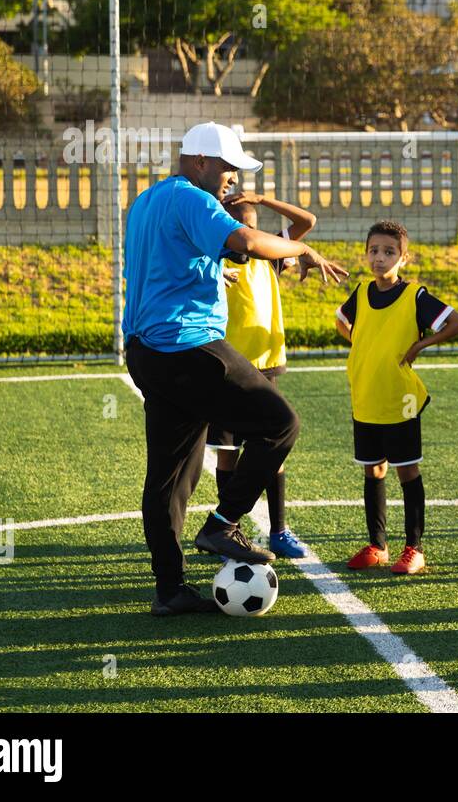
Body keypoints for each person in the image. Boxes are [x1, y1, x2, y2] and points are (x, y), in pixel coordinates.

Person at [123, 121, 347, 616]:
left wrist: (208, 269)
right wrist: (303, 248)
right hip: (187, 346)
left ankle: (169, 591)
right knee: (280, 423)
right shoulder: (192, 198)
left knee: (169, 477)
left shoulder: (147, 200)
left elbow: (170, 259)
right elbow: (248, 241)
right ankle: (222, 523)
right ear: (200, 161)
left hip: (146, 351)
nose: (231, 179)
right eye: (227, 167)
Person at [335, 220, 458, 576]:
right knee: (373, 469)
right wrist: (362, 347)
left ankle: (414, 547)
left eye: (389, 252)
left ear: (403, 258)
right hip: (365, 395)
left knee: (406, 471)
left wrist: (420, 345)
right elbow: (340, 321)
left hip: (403, 399)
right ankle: (377, 546)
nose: (380, 258)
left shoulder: (415, 296)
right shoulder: (361, 293)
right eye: (374, 251)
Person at [205, 190, 317, 559]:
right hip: (226, 369)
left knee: (273, 453)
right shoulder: (213, 260)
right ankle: (228, 530)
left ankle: (279, 531)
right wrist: (212, 271)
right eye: (239, 227)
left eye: (252, 227)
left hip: (265, 365)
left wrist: (265, 200)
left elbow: (307, 223)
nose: (247, 234)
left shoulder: (271, 257)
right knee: (227, 453)